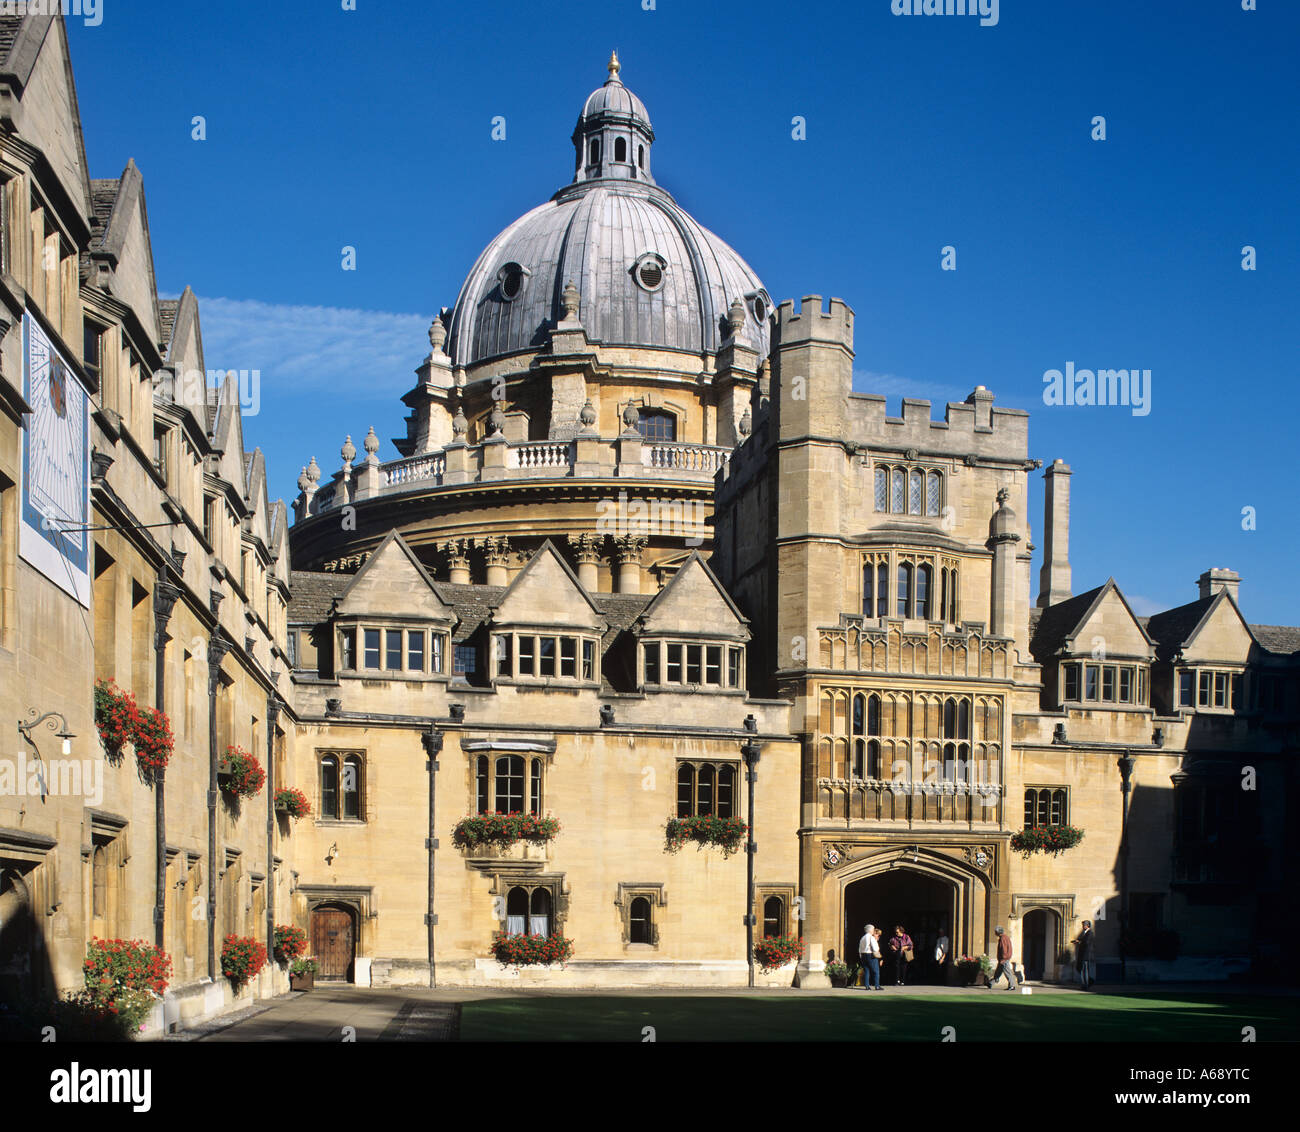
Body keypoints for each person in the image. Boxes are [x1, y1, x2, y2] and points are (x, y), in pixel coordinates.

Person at [987, 926, 1017, 990]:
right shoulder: (1004, 937)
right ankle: (991, 983)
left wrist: (1003, 958)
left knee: (1007, 972)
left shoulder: (1003, 938)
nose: (995, 933)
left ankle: (1012, 985)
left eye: (995, 932)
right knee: (998, 972)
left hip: (1004, 958)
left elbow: (1004, 949)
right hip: (1003, 958)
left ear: (998, 932)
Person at [858, 923, 882, 990]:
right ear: (871, 930)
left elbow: (859, 948)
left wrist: (861, 956)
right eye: (873, 929)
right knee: (876, 971)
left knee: (867, 970)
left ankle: (867, 986)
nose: (874, 931)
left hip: (863, 955)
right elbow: (875, 948)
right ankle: (877, 986)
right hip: (870, 954)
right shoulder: (871, 937)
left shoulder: (862, 938)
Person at [1074, 920, 1096, 989]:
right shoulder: (1085, 933)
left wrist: (1079, 942)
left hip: (1085, 955)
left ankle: (1086, 984)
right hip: (1082, 954)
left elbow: (1086, 942)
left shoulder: (1090, 933)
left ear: (1088, 925)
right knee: (1081, 969)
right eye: (1083, 925)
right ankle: (1084, 983)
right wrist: (1078, 940)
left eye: (1084, 925)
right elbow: (1083, 939)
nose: (1083, 926)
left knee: (1085, 970)